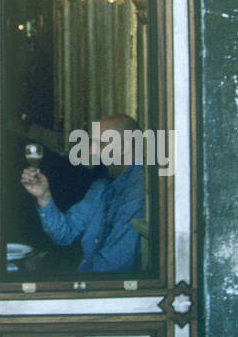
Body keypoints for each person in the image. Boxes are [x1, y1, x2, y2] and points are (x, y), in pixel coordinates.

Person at [21, 114, 146, 273]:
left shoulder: (140, 190)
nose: (92, 151)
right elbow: (66, 234)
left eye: (100, 144)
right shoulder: (101, 187)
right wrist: (44, 196)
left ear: (122, 149)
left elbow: (114, 267)